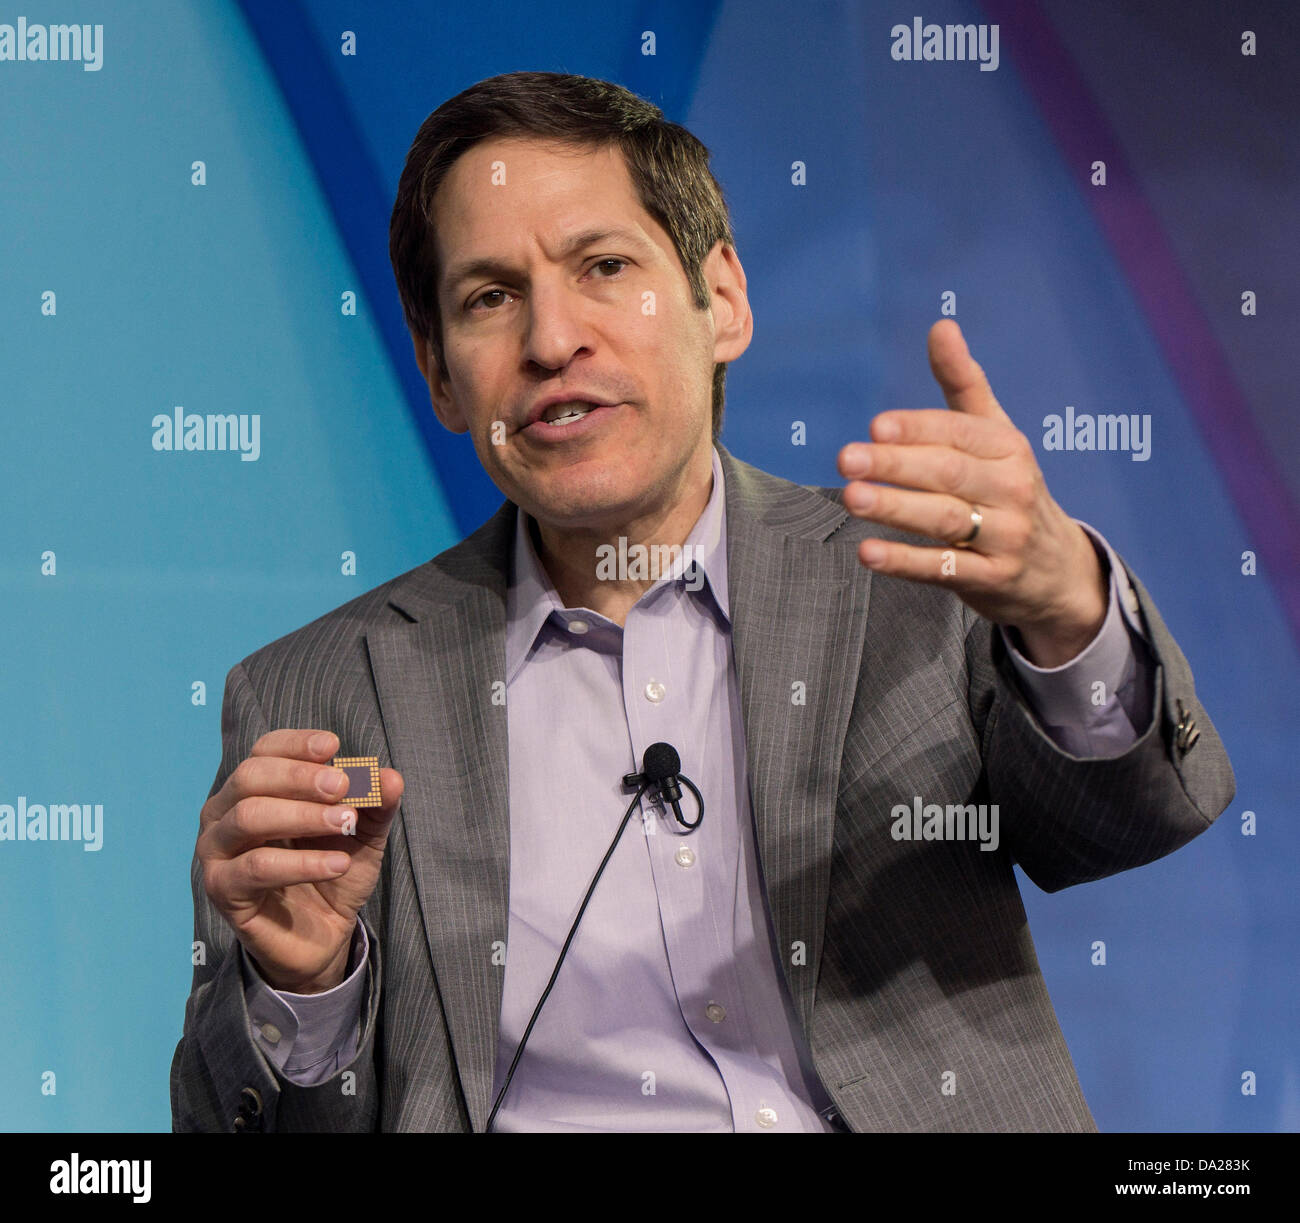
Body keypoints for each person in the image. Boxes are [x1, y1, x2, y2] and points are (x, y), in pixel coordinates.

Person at [170, 71, 1233, 1133]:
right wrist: (304, 991)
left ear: (718, 300)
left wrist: (1062, 611)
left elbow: (1132, 818)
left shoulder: (914, 576)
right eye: (489, 297)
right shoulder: (316, 692)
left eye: (603, 266)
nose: (551, 340)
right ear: (442, 376)